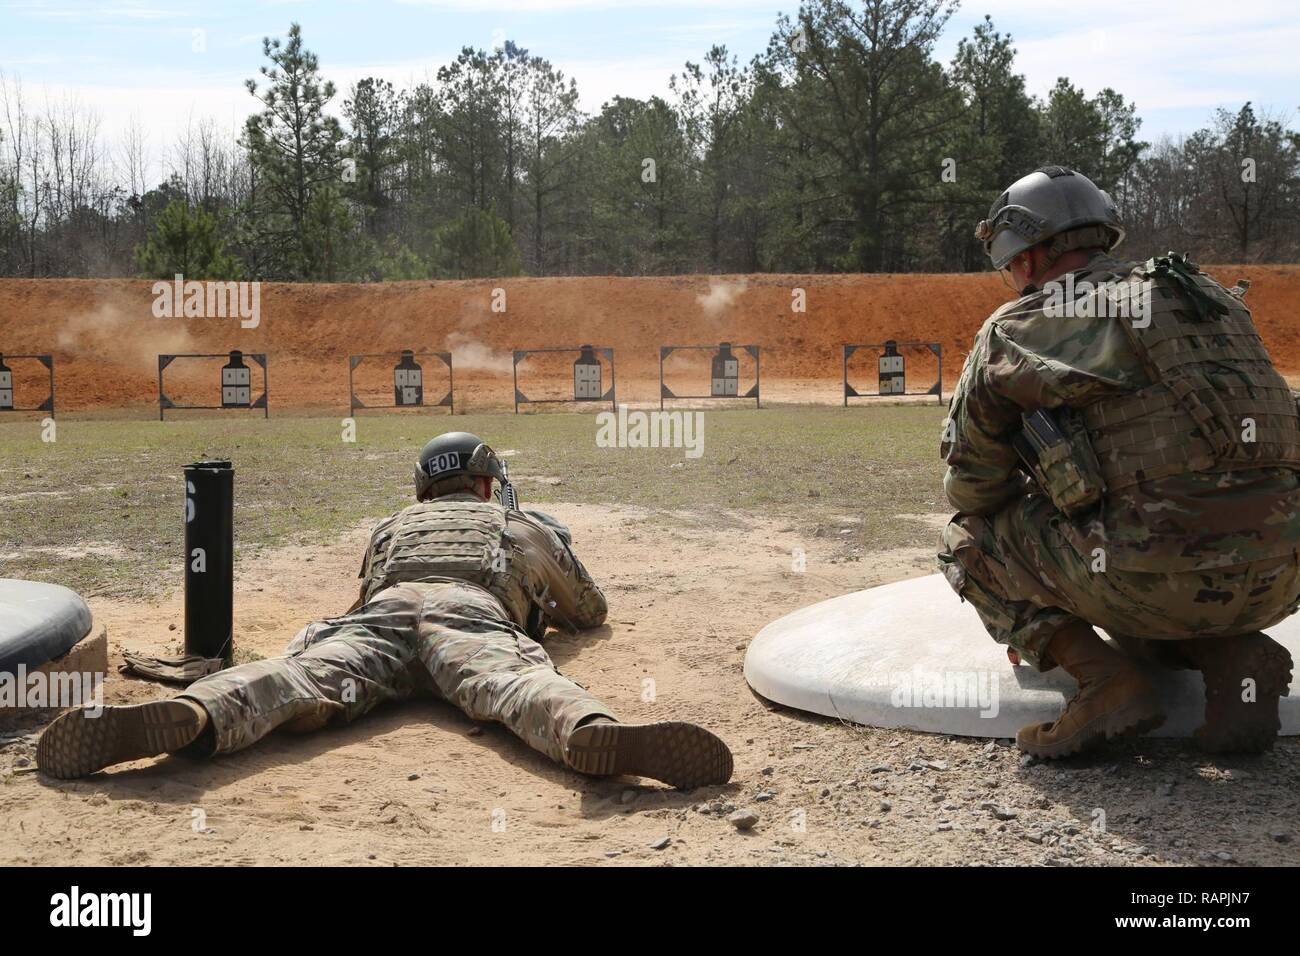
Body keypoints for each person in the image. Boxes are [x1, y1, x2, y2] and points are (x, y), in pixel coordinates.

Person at [39, 432, 734, 789]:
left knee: (299, 677)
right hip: (468, 615)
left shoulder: (391, 526)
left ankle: (200, 714)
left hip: (384, 617)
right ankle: (586, 732)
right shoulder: (517, 526)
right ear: (487, 485)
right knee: (517, 686)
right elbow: (590, 609)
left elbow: (363, 598)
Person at [939, 166, 1299, 758]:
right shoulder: (1208, 298)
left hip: (1144, 572)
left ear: (1025, 258)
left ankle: (1104, 682)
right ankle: (1230, 655)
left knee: (970, 541)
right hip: (1281, 573)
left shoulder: (1020, 327)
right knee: (1152, 543)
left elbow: (973, 487)